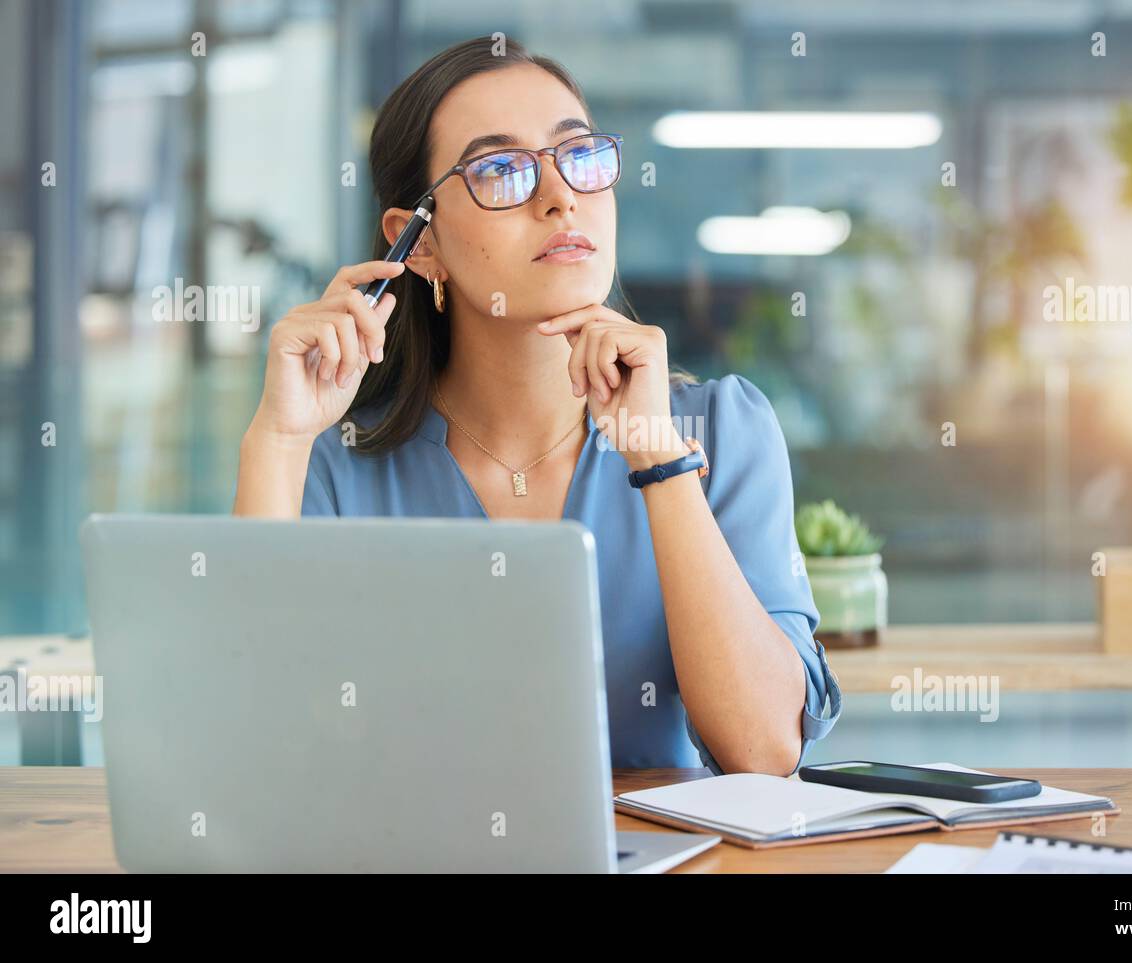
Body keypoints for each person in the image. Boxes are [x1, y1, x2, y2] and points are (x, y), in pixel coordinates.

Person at [234, 34, 841, 776]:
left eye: (579, 156)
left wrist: (658, 458)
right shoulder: (335, 469)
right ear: (416, 245)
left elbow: (765, 747)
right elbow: (257, 751)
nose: (561, 197)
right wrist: (278, 440)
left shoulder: (722, 430)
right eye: (500, 170)